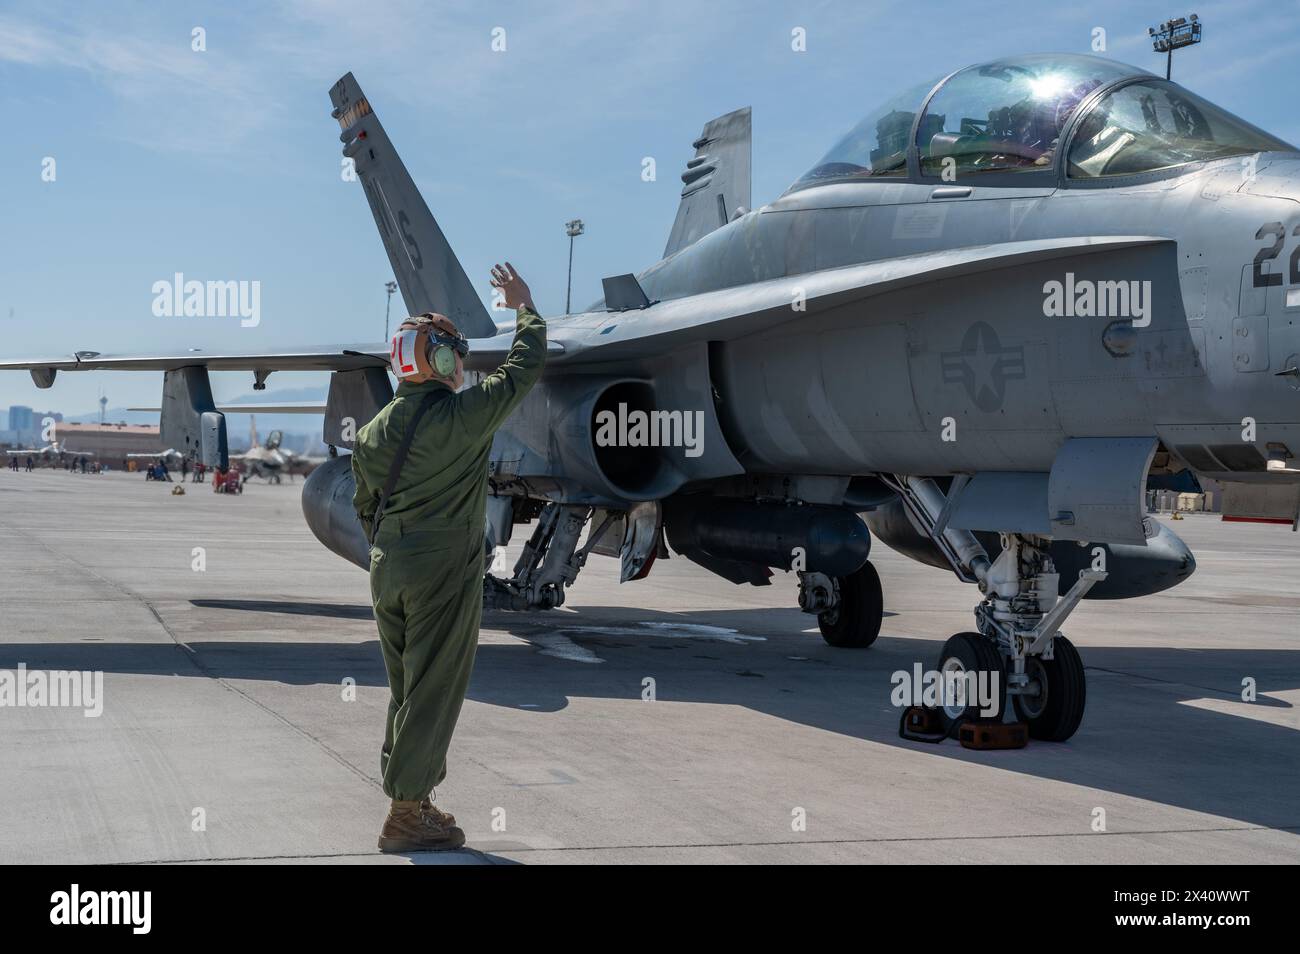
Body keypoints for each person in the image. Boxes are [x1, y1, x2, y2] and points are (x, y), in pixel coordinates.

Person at [352, 263, 546, 853]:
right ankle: (407, 814)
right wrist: (525, 307)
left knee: (408, 689)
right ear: (437, 362)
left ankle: (413, 798)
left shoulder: (372, 433)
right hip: (443, 571)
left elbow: (364, 508)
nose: (460, 362)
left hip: (389, 569)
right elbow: (524, 368)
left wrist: (396, 547)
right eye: (454, 352)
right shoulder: (464, 417)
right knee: (434, 690)